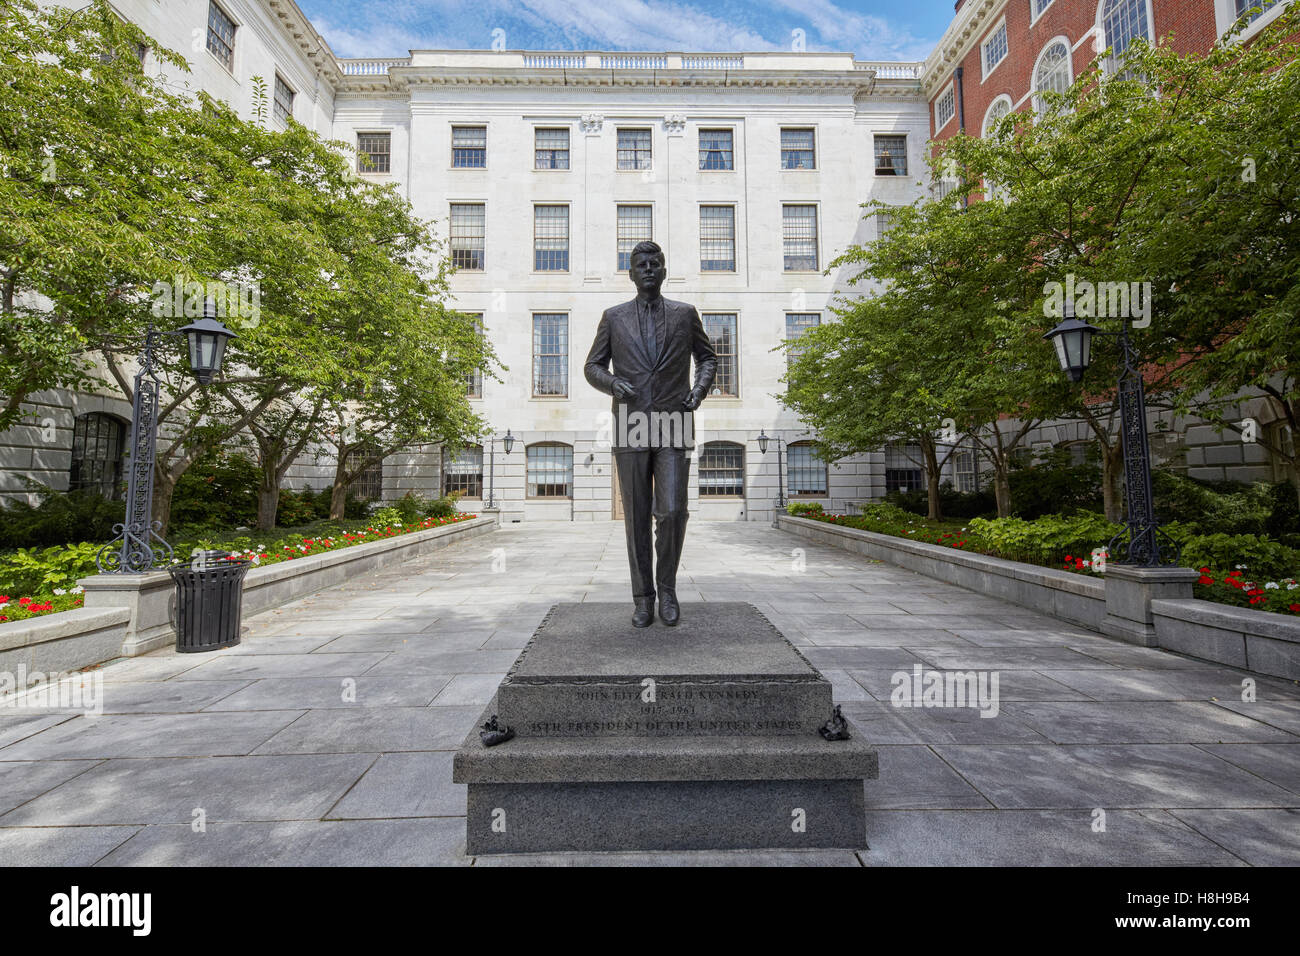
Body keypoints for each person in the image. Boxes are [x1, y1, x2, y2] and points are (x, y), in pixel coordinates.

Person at [584, 241, 716, 627]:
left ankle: (668, 590)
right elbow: (592, 366)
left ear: (663, 269)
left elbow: (707, 357)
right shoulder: (614, 317)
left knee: (673, 511)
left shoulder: (684, 314)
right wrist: (611, 383)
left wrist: (699, 389)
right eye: (640, 264)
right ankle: (643, 598)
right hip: (630, 423)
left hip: (674, 421)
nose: (648, 269)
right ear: (630, 272)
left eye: (654, 263)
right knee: (637, 517)